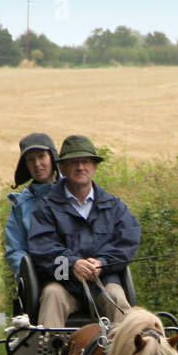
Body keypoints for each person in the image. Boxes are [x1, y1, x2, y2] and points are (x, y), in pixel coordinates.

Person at [27, 134, 139, 328]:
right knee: (52, 295)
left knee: (118, 299)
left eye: (85, 162)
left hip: (104, 282)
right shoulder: (46, 207)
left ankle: (125, 354)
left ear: (94, 167)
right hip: (62, 281)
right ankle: (47, 354)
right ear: (62, 168)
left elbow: (128, 241)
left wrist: (103, 263)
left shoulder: (115, 206)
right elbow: (41, 248)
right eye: (74, 162)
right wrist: (72, 265)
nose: (80, 167)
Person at [4, 132, 60, 280]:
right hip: (45, 278)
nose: (37, 164)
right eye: (30, 160)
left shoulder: (75, 191)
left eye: (42, 156)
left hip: (81, 271)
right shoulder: (21, 205)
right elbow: (15, 250)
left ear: (52, 158)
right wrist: (30, 278)